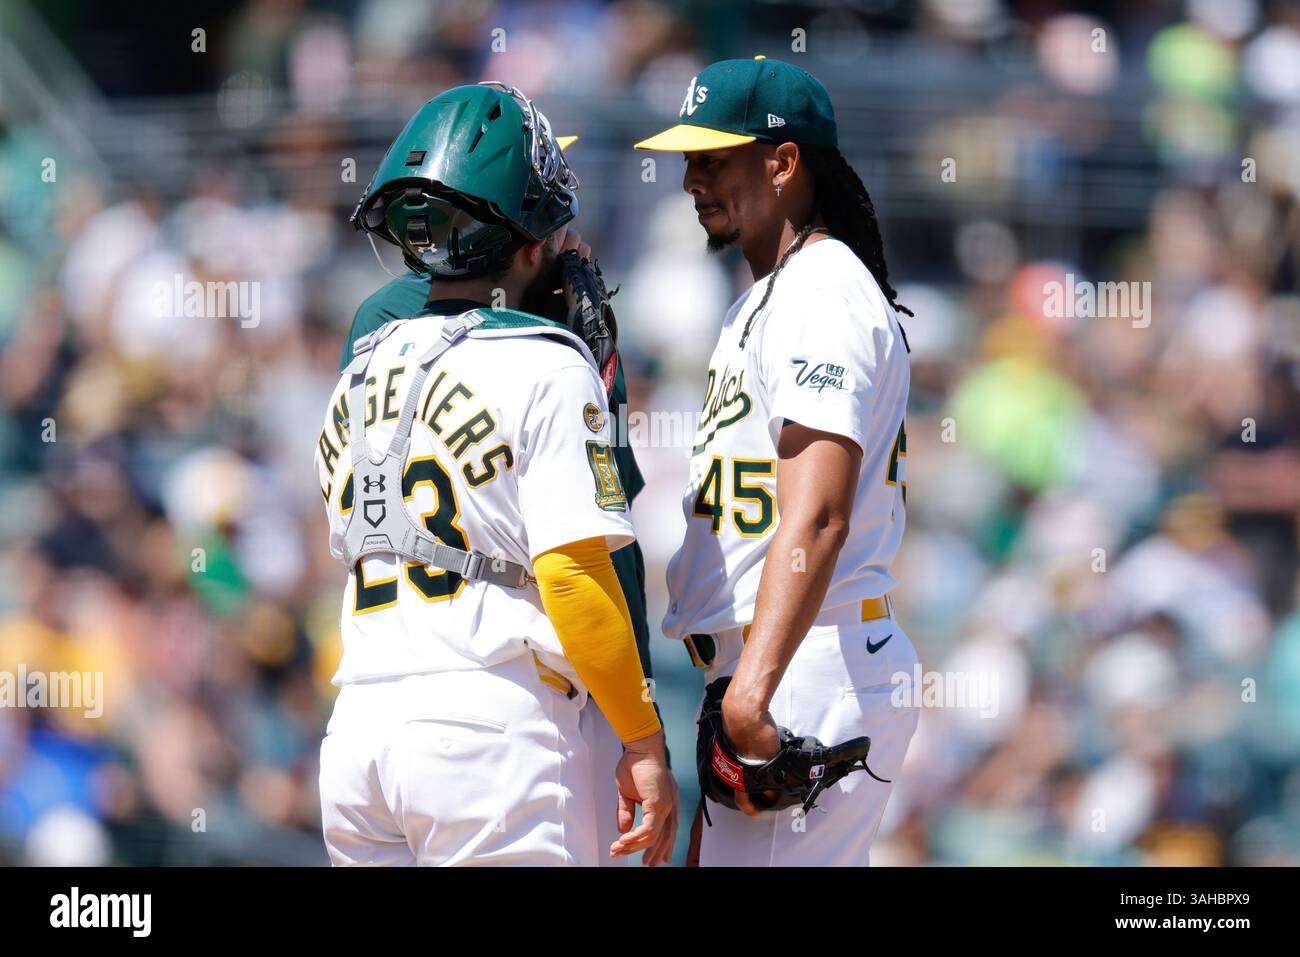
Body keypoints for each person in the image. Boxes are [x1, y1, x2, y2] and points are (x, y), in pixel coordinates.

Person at [315, 81, 677, 866]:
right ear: (530, 236)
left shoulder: (359, 373)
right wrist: (644, 739)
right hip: (489, 726)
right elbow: (576, 577)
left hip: (358, 732)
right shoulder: (544, 362)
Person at [635, 57, 920, 866]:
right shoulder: (775, 293)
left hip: (802, 660)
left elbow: (820, 511)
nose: (693, 180)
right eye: (689, 161)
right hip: (790, 658)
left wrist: (752, 689)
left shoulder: (820, 291)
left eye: (713, 158)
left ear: (783, 162)